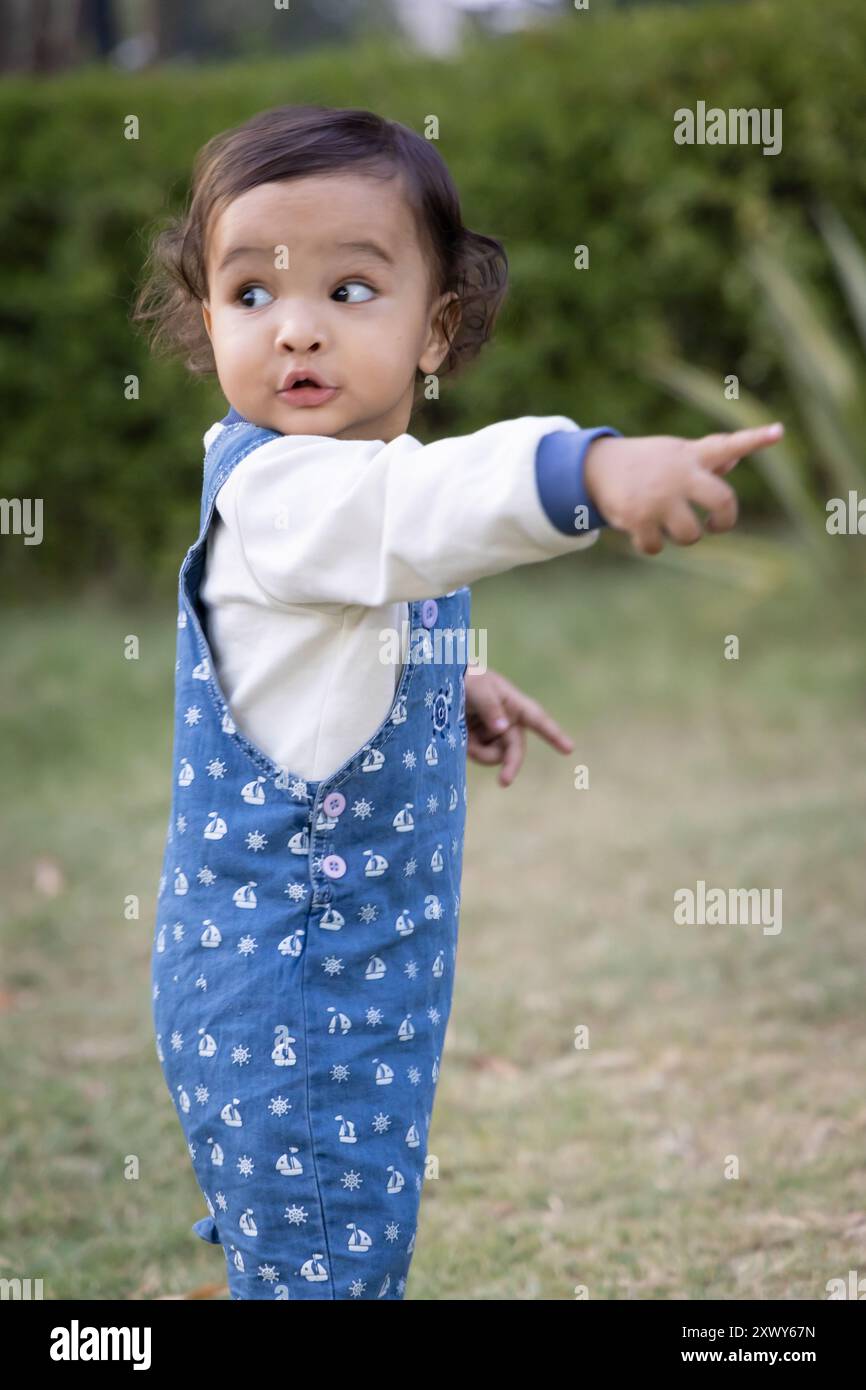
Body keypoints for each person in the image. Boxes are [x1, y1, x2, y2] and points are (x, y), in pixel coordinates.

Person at [134, 103, 783, 1300]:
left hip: (320, 996)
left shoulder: (320, 501)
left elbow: (346, 613)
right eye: (251, 294)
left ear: (436, 328)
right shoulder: (293, 495)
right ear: (206, 316)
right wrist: (590, 467)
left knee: (316, 1250)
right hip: (298, 1004)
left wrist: (449, 679)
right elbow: (427, 508)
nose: (296, 331)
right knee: (328, 1266)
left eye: (349, 290)